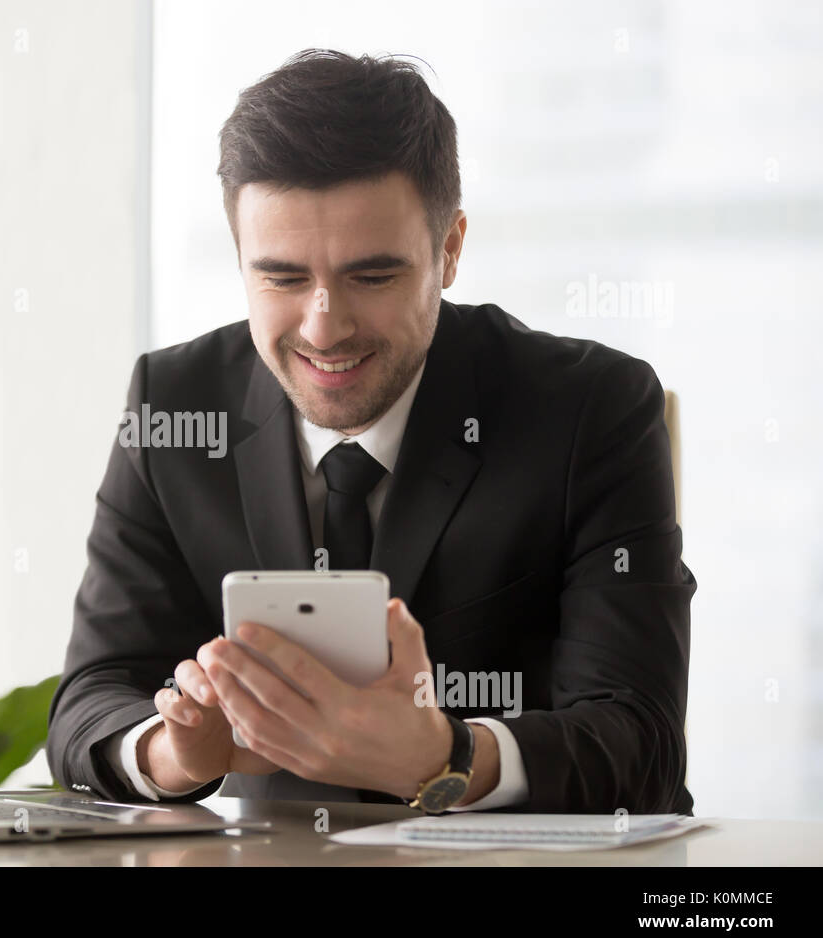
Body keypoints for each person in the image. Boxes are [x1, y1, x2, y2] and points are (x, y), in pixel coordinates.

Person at [47, 48, 696, 814]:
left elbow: (640, 742)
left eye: (373, 276)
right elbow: (90, 698)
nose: (326, 327)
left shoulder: (594, 409)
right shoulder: (174, 406)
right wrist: (172, 751)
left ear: (449, 250)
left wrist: (447, 756)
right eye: (283, 277)